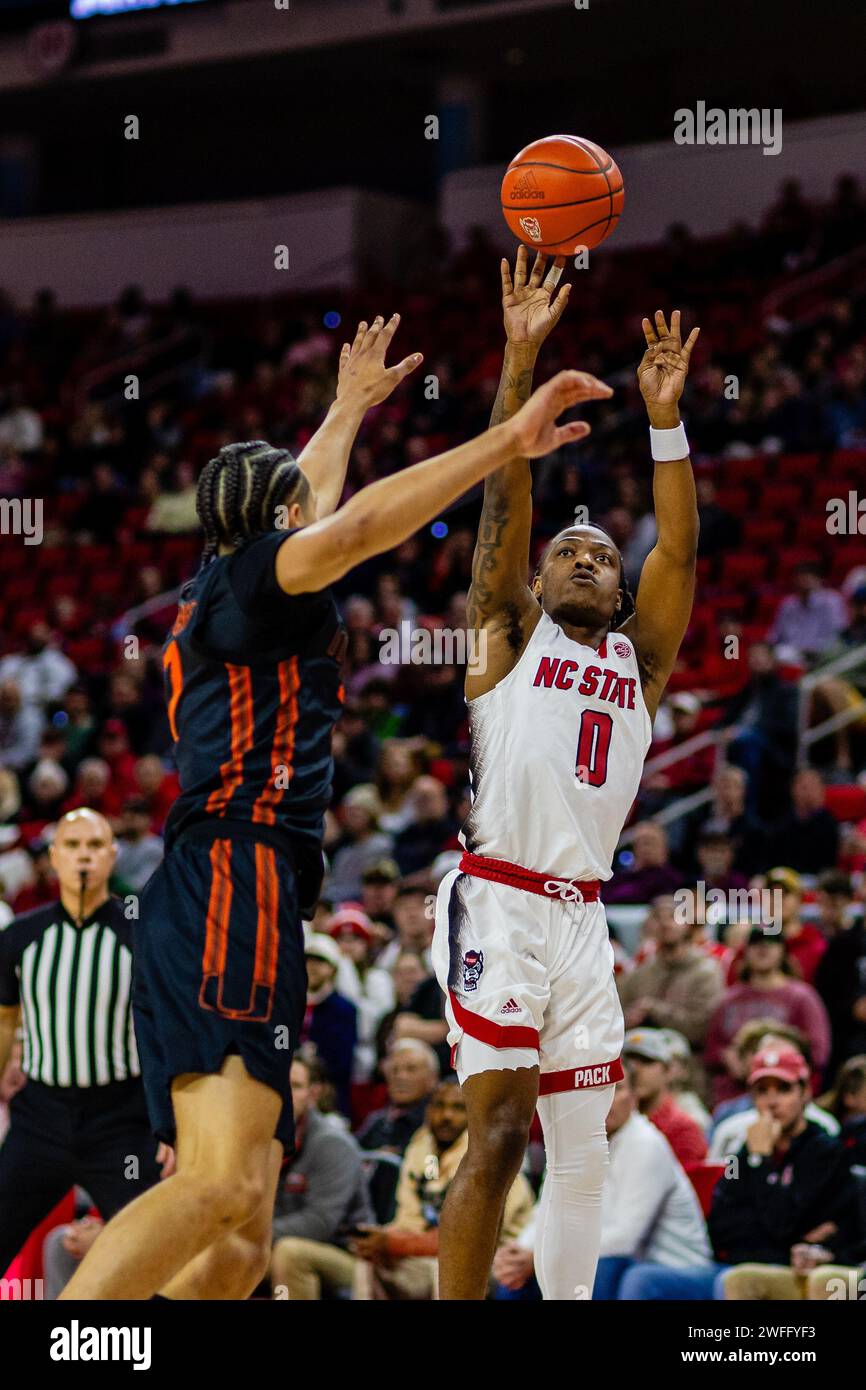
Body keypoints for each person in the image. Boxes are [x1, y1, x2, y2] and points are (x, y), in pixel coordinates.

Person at [61, 307, 595, 1300]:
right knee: (222, 1187)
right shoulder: (265, 575)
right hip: (236, 872)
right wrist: (501, 443)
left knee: (241, 1235)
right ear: (278, 520)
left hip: (220, 880)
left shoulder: (221, 586)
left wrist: (347, 405)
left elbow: (307, 503)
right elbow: (344, 524)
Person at [433, 246, 701, 1300]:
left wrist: (664, 419)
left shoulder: (639, 661)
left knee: (581, 1146)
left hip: (582, 915)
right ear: (538, 580)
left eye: (601, 550)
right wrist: (518, 362)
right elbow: (503, 507)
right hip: (497, 897)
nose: (588, 556)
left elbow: (675, 555)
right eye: (569, 552)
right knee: (498, 1131)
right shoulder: (505, 632)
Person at [0, 809, 162, 1276]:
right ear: (53, 857)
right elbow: (5, 1023)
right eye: (72, 846)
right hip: (39, 1122)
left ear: (113, 856)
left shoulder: (141, 936)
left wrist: (170, 1122)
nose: (83, 856)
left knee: (153, 1247)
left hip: (121, 1122)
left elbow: (164, 1035)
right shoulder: (21, 937)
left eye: (94, 845)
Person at [350, 1078, 533, 1300]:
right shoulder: (421, 1148)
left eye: (458, 1108)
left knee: (448, 1268)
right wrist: (383, 1239)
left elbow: (473, 1240)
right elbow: (409, 1220)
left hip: (494, 1261)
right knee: (368, 1259)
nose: (446, 1116)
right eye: (439, 1105)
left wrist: (395, 1242)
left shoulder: (490, 1153)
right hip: (426, 1254)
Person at [268, 1056, 373, 1301]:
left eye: (294, 1086)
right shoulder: (257, 1140)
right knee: (216, 1256)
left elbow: (320, 1224)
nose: (284, 1093)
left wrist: (250, 1237)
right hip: (272, 1243)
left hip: (349, 1255)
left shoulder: (332, 1144)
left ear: (313, 1094)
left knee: (290, 1253)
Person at [704, 929, 831, 1107]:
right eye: (755, 943)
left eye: (771, 943)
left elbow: (818, 1053)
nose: (763, 948)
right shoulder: (729, 1000)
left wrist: (775, 1059)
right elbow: (711, 1049)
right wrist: (729, 1058)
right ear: (745, 952)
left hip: (785, 1096)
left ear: (783, 952)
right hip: (733, 1097)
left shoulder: (802, 997)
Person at [617, 894, 724, 1047]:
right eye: (658, 918)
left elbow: (702, 1029)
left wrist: (653, 1010)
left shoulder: (706, 971)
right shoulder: (639, 973)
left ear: (689, 923)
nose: (665, 923)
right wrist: (629, 1020)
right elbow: (617, 1021)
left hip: (687, 1058)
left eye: (673, 916)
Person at [356, 1038, 440, 1223]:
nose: (400, 1076)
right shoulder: (377, 1122)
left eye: (411, 1069)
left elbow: (433, 1176)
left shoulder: (439, 1125)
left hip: (413, 1222)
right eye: (394, 1070)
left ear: (432, 1078)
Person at [621, 1029, 708, 1166]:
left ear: (667, 1071)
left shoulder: (683, 1130)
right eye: (627, 1063)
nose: (635, 1070)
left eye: (646, 1061)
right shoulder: (612, 1121)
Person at [301, 934, 358, 1118]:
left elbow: (341, 1060)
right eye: (308, 960)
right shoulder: (289, 1005)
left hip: (330, 1100)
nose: (312, 967)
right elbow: (280, 1040)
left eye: (320, 961)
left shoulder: (344, 1010)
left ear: (332, 969)